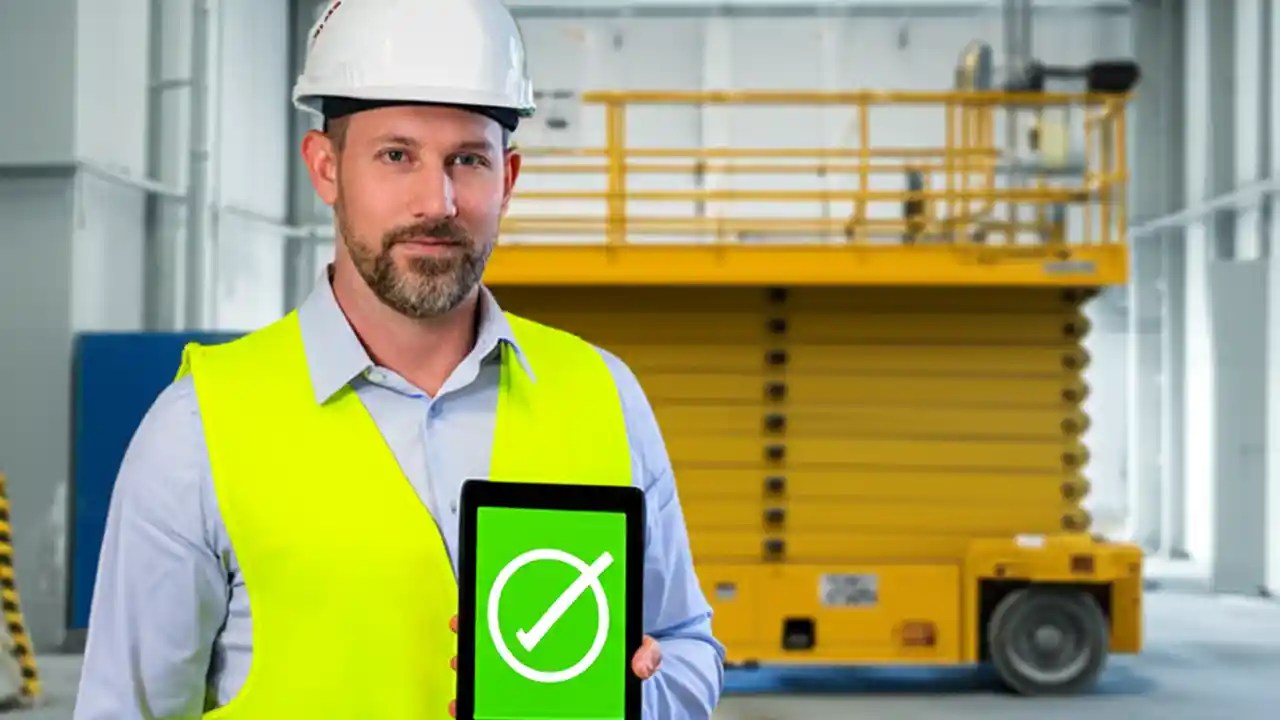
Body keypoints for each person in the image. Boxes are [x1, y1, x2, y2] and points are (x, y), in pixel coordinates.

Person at [72, 0, 725, 717]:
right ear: (326, 169)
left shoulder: (603, 394)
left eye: (466, 160)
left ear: (507, 177)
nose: (436, 200)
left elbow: (687, 643)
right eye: (396, 155)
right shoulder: (197, 431)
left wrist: (638, 696)